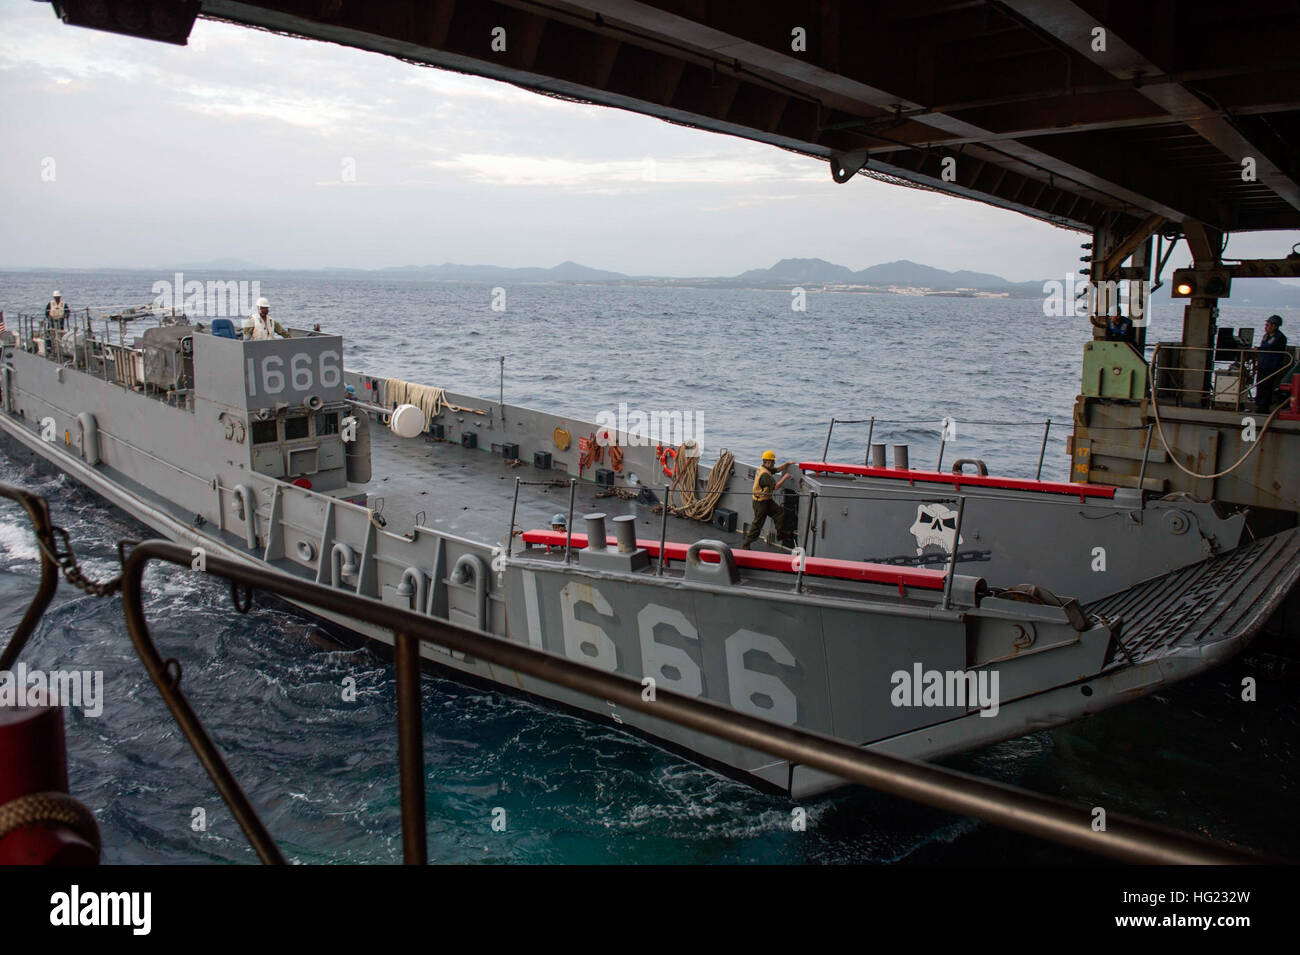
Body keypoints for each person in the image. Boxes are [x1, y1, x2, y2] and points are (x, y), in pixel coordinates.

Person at [743, 450, 793, 548]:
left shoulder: (764, 468)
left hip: (767, 500)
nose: (774, 463)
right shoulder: (765, 475)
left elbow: (777, 470)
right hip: (760, 503)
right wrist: (785, 477)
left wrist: (786, 464)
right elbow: (775, 487)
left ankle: (780, 534)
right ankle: (746, 544)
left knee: (779, 512)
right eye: (773, 462)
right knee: (757, 524)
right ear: (768, 462)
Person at [1256, 315, 1289, 412]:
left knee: (1267, 385)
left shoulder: (1279, 337)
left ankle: (1264, 406)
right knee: (1260, 384)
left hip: (1271, 366)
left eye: (1268, 325)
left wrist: (1259, 349)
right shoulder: (1266, 336)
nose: (1266, 327)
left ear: (1275, 326)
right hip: (1263, 364)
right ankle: (1259, 403)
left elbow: (1269, 347)